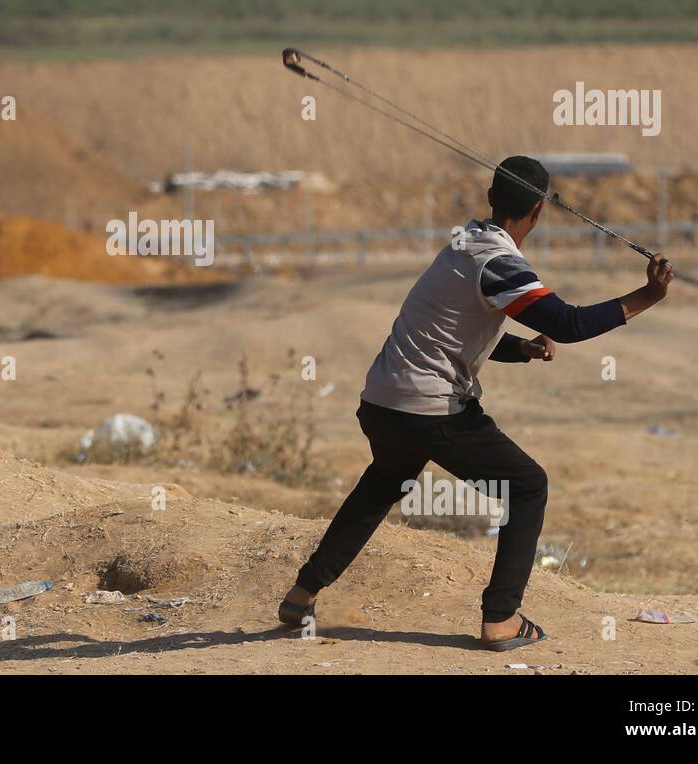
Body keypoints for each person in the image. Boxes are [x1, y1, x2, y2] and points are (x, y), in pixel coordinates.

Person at [277, 155, 674, 650]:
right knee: (527, 486)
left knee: (383, 483)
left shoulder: (462, 246)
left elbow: (449, 331)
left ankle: (302, 594)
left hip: (383, 401)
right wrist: (647, 296)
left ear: (491, 198)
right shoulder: (498, 262)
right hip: (429, 407)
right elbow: (568, 324)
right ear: (538, 211)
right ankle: (501, 619)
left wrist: (521, 346)